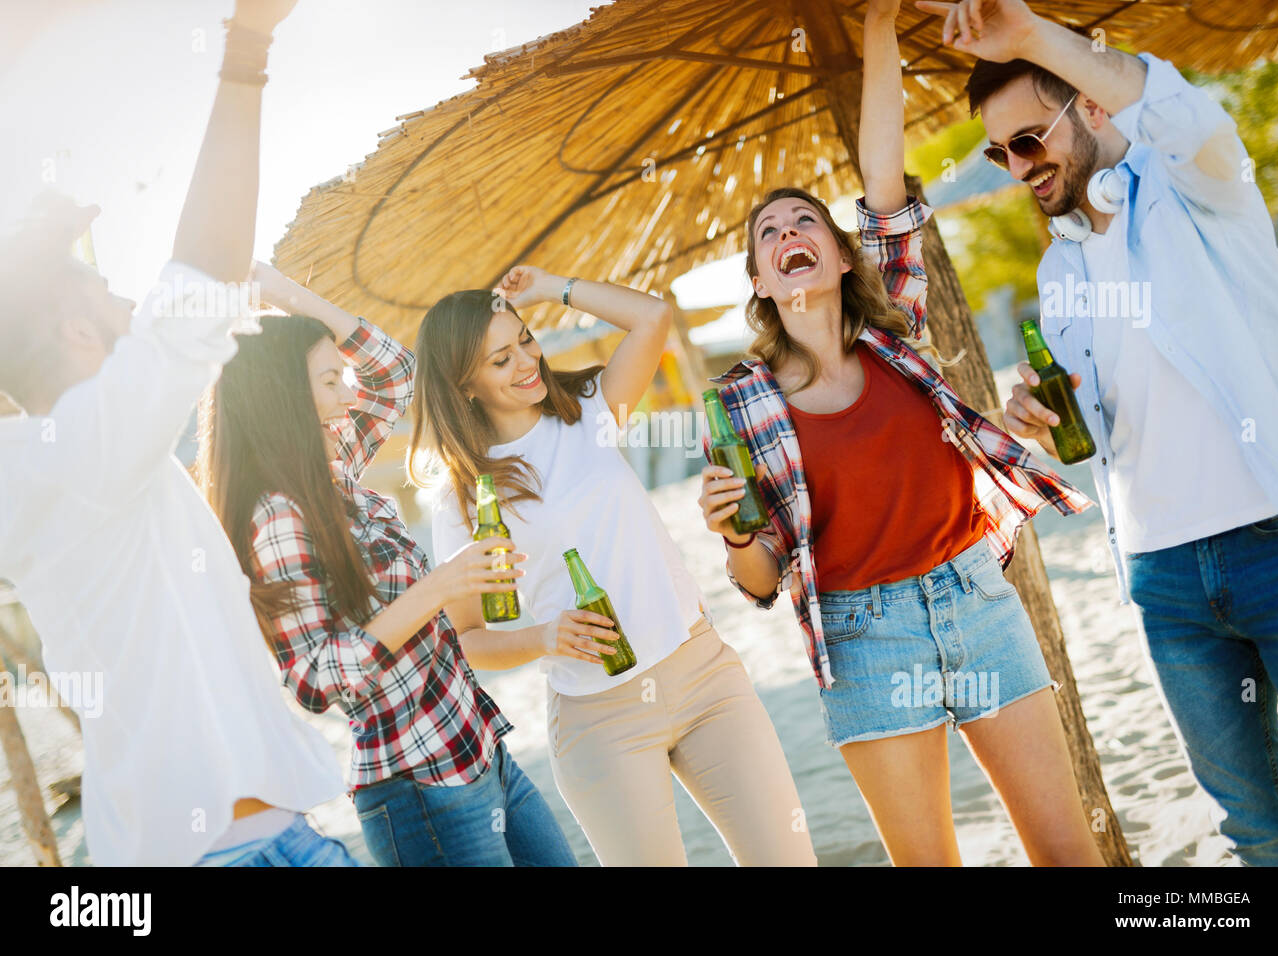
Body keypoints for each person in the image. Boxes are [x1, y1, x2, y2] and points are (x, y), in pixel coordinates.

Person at [695, 1, 1103, 866]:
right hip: (863, 636)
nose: (787, 234)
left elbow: (885, 171)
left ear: (843, 258)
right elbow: (762, 579)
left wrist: (878, 23)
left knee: (1067, 852)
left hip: (976, 601)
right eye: (768, 235)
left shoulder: (896, 331)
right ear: (764, 286)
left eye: (805, 221)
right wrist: (732, 533)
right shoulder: (740, 406)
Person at [923, 0, 1278, 866]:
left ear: (1090, 110)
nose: (1019, 168)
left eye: (1027, 141)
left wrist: (1029, 38)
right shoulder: (1060, 269)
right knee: (1257, 831)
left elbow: (1178, 112)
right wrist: (1040, 422)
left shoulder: (1203, 188)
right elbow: (1097, 428)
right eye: (999, 153)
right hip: (1165, 579)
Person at [0, 0, 359, 867]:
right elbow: (199, 285)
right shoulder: (78, 455)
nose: (134, 303)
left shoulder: (54, 468)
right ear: (80, 334)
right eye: (111, 294)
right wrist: (248, 47)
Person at [411, 279, 817, 867]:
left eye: (526, 341)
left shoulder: (587, 413)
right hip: (598, 719)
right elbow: (465, 640)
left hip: (703, 675)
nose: (527, 362)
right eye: (501, 359)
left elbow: (652, 317)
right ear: (462, 384)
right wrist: (542, 638)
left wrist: (553, 287)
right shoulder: (462, 499)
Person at [195, 261, 576, 867]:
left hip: (478, 747)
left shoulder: (334, 468)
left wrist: (281, 294)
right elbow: (317, 678)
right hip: (420, 790)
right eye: (328, 382)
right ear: (287, 399)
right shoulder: (276, 519)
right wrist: (439, 587)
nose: (348, 393)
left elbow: (395, 372)